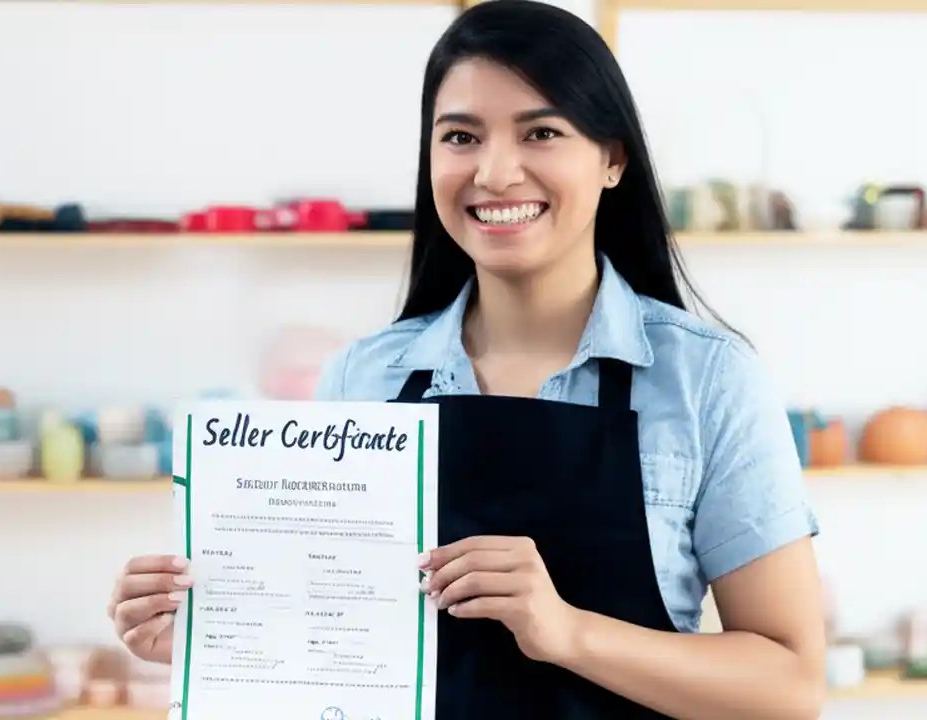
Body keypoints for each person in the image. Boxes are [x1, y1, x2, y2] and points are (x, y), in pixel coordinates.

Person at [107, 1, 826, 718]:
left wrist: (569, 632)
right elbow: (333, 666)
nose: (496, 172)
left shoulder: (707, 379)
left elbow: (789, 688)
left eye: (541, 132)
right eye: (461, 136)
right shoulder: (362, 377)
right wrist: (224, 641)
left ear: (612, 159)